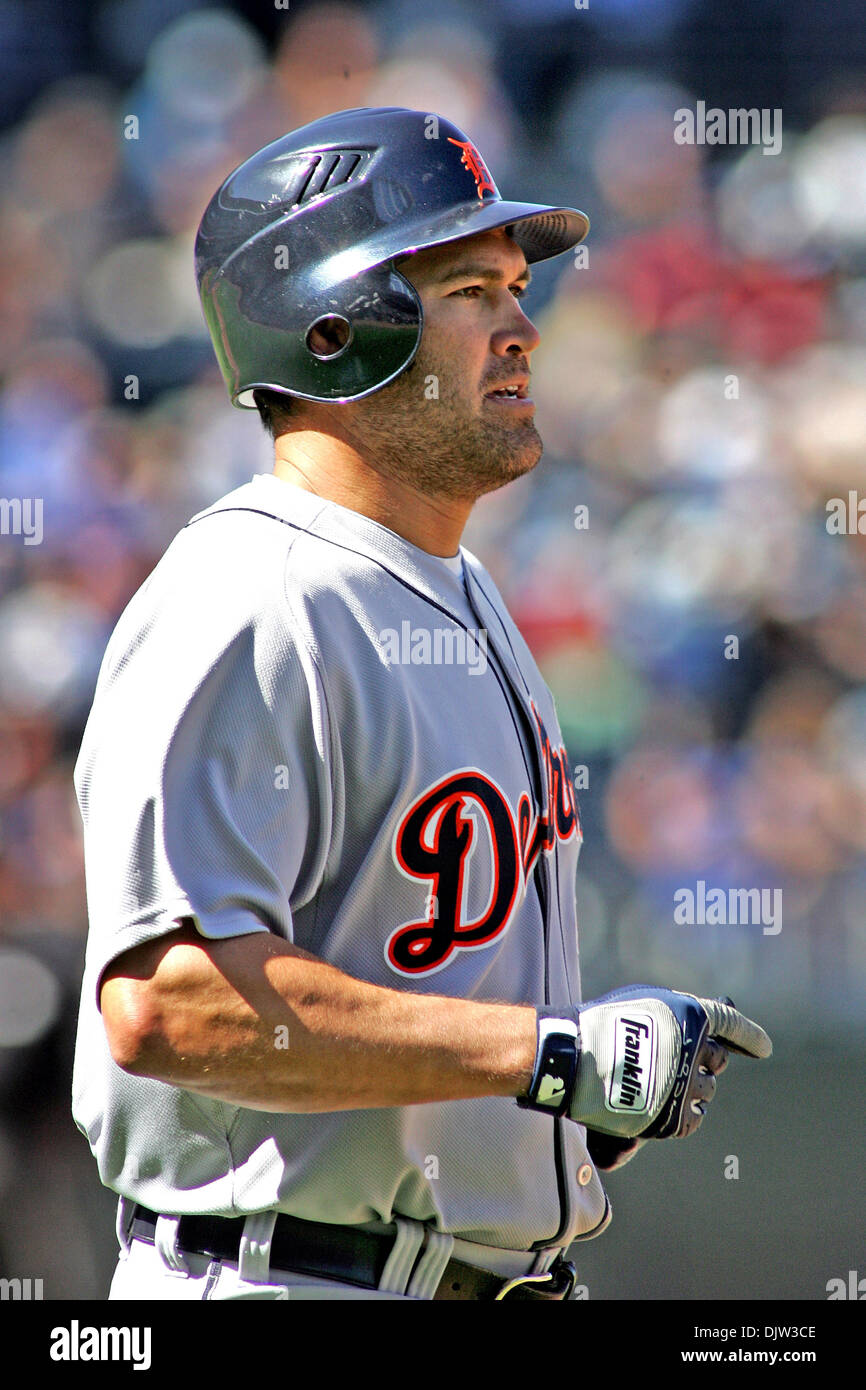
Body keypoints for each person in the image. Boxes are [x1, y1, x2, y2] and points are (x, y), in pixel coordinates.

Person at [72, 107, 771, 1302]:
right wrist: (544, 1050)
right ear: (335, 330)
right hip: (284, 1276)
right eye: (469, 290)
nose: (523, 328)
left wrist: (557, 1106)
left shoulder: (459, 587)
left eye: (516, 288)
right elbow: (169, 1004)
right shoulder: (251, 594)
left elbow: (423, 1019)